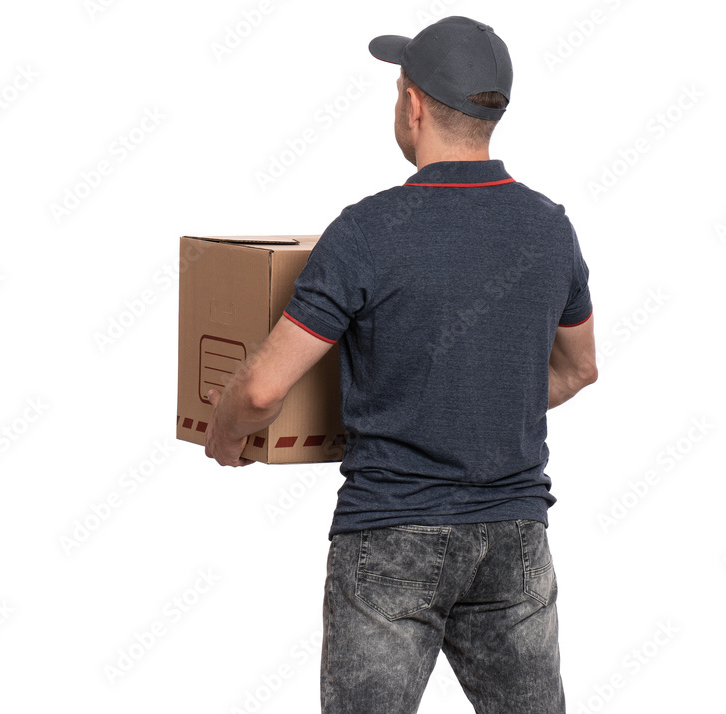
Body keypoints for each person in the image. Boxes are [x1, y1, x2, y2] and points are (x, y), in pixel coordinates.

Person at [203, 15, 597, 714]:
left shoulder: (367, 231)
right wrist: (485, 397)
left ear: (413, 105)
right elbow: (576, 370)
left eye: (397, 93)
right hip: (515, 534)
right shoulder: (549, 226)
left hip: (391, 533)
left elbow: (263, 387)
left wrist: (226, 435)